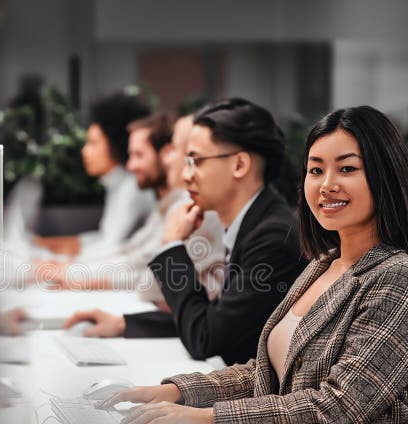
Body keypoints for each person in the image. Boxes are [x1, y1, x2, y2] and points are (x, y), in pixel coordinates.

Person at [101, 106, 408, 424]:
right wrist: (176, 392)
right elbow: (268, 374)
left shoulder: (397, 277)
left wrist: (208, 418)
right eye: (315, 170)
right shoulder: (323, 265)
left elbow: (335, 408)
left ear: (384, 175)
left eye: (346, 169)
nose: (327, 185)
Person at [65, 98, 305, 366]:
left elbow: (207, 339)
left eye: (196, 161)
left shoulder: (272, 238)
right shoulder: (257, 221)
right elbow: (220, 318)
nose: (185, 174)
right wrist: (124, 324)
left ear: (240, 165)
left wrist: (171, 247)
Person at [42, 114, 225, 300]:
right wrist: (73, 268)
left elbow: (150, 278)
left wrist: (77, 272)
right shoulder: (174, 204)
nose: (168, 159)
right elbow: (134, 254)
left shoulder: (196, 209)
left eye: (176, 150)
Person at [32, 92, 155, 257]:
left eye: (93, 143)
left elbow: (111, 248)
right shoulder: (118, 184)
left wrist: (58, 262)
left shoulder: (132, 188)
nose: (85, 151)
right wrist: (51, 245)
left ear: (114, 144)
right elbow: (104, 237)